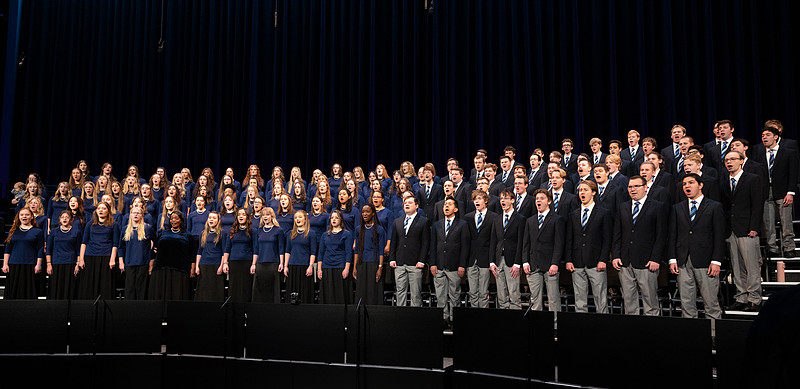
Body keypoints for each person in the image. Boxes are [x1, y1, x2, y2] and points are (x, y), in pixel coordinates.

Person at [668, 173, 725, 320]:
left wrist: (716, 261)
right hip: (683, 260)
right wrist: (672, 259)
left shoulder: (714, 206)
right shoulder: (677, 208)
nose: (687, 186)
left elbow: (719, 236)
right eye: (684, 184)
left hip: (706, 260)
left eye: (691, 183)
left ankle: (713, 332)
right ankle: (690, 332)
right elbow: (673, 235)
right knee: (686, 303)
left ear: (700, 185)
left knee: (711, 302)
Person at [612, 175, 667, 316]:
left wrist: (655, 258)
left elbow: (661, 236)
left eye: (636, 186)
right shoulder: (623, 207)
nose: (633, 189)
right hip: (625, 261)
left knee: (650, 301)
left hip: (647, 261)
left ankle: (651, 327)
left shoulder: (657, 206)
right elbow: (617, 234)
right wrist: (616, 255)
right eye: (630, 187)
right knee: (629, 301)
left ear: (645, 187)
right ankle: (632, 328)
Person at [721, 151, 765, 312]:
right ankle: (741, 297)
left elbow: (757, 205)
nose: (729, 162)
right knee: (737, 266)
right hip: (731, 229)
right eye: (727, 160)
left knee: (751, 266)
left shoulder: (752, 179)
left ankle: (754, 299)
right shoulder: (724, 182)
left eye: (732, 159)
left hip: (747, 228)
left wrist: (754, 227)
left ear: (741, 161)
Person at [751, 126, 799, 258]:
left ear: (776, 137)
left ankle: (789, 246)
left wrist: (791, 192)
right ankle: (771, 247)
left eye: (767, 135)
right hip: (765, 191)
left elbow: (793, 173)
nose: (764, 138)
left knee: (786, 221)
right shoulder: (759, 154)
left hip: (783, 191)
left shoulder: (788, 152)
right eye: (763, 135)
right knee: (768, 222)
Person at [566, 180, 611, 313]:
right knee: (579, 301)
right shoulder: (573, 214)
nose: (582, 193)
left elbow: (607, 239)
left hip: (596, 262)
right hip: (577, 262)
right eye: (580, 190)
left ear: (593, 192)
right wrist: (568, 260)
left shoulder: (603, 213)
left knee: (600, 300)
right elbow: (569, 239)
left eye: (585, 190)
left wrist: (603, 259)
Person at [523, 189, 565, 312]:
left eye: (542, 198)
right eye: (537, 199)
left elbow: (559, 244)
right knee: (535, 299)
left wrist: (555, 263)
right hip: (533, 265)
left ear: (549, 201)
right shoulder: (530, 220)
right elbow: (526, 244)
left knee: (553, 299)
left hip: (550, 265)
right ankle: (537, 323)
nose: (538, 201)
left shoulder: (557, 219)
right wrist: (525, 261)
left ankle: (555, 322)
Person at [429, 196, 469, 326]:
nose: (446, 206)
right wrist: (433, 263)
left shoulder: (462, 224)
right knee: (440, 295)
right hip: (439, 265)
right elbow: (433, 246)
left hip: (454, 265)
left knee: (454, 295)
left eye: (450, 204)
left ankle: (453, 319)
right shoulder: (437, 224)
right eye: (445, 204)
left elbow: (465, 246)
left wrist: (462, 265)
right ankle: (443, 319)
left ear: (456, 209)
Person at [389, 196, 430, 307]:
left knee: (415, 294)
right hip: (399, 262)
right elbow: (394, 242)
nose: (406, 204)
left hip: (415, 263)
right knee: (400, 292)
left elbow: (425, 243)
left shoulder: (423, 221)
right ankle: (400, 315)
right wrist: (392, 258)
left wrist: (422, 260)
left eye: (410, 203)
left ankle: (415, 316)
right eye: (405, 203)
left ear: (416, 206)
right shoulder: (397, 221)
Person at [78, 201, 119, 300]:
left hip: (106, 256)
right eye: (99, 208)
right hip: (90, 256)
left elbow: (115, 244)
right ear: (96, 211)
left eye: (104, 208)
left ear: (108, 211)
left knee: (105, 285)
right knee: (90, 284)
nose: (101, 210)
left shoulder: (114, 224)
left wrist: (112, 259)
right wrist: (81, 259)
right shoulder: (90, 224)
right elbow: (84, 242)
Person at [464, 190, 498, 308]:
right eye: (475, 199)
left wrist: (492, 259)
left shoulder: (494, 217)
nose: (476, 201)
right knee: (473, 292)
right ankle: (474, 315)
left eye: (479, 198)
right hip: (471, 259)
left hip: (485, 258)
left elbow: (494, 240)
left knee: (483, 292)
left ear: (486, 201)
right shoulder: (468, 217)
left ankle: (483, 316)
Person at [2, 207, 45, 299]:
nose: (24, 216)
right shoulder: (13, 231)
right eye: (22, 215)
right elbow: (8, 249)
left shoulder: (38, 231)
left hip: (30, 264)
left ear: (32, 217)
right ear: (18, 217)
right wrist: (5, 264)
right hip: (14, 264)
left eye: (27, 215)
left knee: (29, 291)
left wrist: (38, 264)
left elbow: (40, 249)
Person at [149, 211, 192, 300]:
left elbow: (192, 253)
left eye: (176, 218)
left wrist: (192, 268)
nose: (173, 220)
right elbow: (156, 250)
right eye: (171, 218)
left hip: (180, 269)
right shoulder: (163, 233)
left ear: (181, 220)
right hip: (162, 269)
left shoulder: (187, 235)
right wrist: (151, 265)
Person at [317, 210, 354, 304]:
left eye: (336, 218)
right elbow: (321, 253)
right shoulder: (325, 235)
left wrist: (347, 268)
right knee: (328, 294)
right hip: (327, 266)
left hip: (340, 266)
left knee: (340, 294)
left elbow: (349, 253)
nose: (334, 219)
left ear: (341, 220)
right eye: (332, 218)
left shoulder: (347, 234)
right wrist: (319, 269)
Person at [118, 207, 154, 300]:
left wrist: (151, 261)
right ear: (130, 215)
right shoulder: (125, 229)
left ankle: (140, 307)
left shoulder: (148, 228)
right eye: (134, 213)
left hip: (143, 263)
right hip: (129, 263)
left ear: (142, 215)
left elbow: (156, 244)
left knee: (141, 289)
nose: (136, 214)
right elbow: (121, 247)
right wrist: (121, 261)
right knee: (130, 289)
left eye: (138, 213)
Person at [353, 205, 386, 305]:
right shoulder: (358, 229)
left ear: (373, 213)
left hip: (373, 263)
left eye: (367, 212)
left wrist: (380, 267)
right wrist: (354, 267)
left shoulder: (379, 229)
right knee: (361, 290)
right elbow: (357, 250)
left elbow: (381, 250)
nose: (365, 214)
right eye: (363, 212)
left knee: (373, 290)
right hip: (361, 263)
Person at [251, 207, 285, 303]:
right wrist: (253, 264)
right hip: (260, 264)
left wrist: (281, 263)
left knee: (273, 290)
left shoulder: (278, 230)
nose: (265, 217)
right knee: (259, 290)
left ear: (272, 216)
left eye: (267, 215)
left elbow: (281, 248)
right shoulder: (259, 231)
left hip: (273, 263)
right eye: (263, 215)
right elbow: (256, 249)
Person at [284, 210, 318, 304]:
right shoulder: (291, 233)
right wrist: (286, 266)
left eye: (300, 217)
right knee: (292, 293)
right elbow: (287, 251)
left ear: (305, 219)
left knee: (304, 293)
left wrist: (310, 266)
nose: (297, 219)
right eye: (295, 218)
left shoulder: (311, 233)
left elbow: (313, 252)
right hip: (292, 265)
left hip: (305, 266)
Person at [46, 210, 81, 300]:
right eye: (62, 217)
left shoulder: (76, 232)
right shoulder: (54, 231)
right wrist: (48, 264)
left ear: (71, 220)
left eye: (67, 217)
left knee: (68, 288)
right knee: (56, 288)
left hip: (70, 263)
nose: (64, 219)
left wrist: (77, 264)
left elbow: (78, 250)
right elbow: (48, 249)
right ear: (59, 219)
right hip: (56, 263)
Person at [195, 211, 227, 301]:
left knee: (215, 291)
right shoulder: (203, 233)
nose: (211, 220)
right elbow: (199, 251)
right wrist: (197, 266)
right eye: (210, 218)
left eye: (214, 218)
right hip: (204, 264)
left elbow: (224, 251)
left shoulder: (222, 233)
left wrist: (221, 266)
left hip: (216, 265)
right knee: (203, 291)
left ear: (218, 220)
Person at [223, 208, 254, 303]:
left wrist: (253, 264)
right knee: (233, 287)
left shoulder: (252, 231)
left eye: (243, 214)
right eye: (239, 214)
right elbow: (227, 248)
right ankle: (233, 308)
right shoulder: (232, 231)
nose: (241, 216)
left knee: (246, 287)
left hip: (247, 262)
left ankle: (246, 308)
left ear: (247, 217)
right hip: (234, 262)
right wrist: (225, 263)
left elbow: (255, 249)